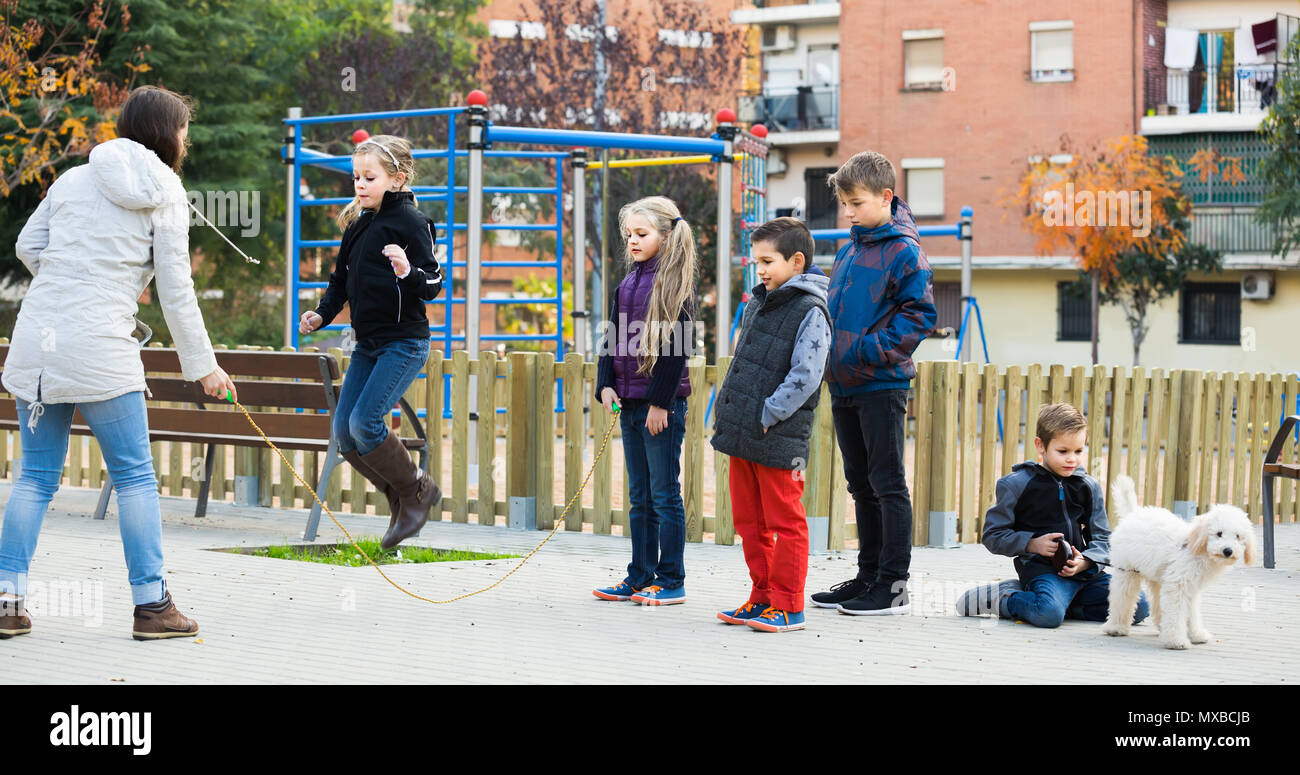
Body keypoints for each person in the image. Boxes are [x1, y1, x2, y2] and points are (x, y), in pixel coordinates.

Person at [0, 86, 237, 641]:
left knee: (34, 476)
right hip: (102, 345)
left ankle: (6, 604)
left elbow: (28, 246)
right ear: (165, 134)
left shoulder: (73, 178)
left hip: (38, 340)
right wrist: (204, 367)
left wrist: (72, 279)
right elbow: (178, 293)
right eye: (183, 129)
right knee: (134, 477)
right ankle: (152, 607)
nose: (187, 139)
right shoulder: (168, 192)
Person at [299, 134, 443, 551]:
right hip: (367, 344)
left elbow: (432, 283)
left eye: (369, 177)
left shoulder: (414, 223)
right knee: (346, 434)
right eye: (356, 177)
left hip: (403, 343)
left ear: (396, 178)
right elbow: (340, 281)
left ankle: (417, 490)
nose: (360, 185)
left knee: (366, 423)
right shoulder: (359, 225)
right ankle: (402, 498)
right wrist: (321, 314)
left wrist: (405, 271)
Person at [810, 151, 937, 616]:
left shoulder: (904, 250)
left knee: (887, 484)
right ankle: (867, 578)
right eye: (845, 204)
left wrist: (865, 351)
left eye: (857, 203)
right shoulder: (850, 248)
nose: (849, 212)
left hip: (880, 384)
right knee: (860, 485)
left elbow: (919, 316)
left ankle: (893, 587)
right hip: (843, 385)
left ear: (886, 197)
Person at [710, 218, 830, 633]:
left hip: (777, 432)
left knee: (784, 521)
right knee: (749, 521)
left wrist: (768, 413)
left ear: (796, 261)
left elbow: (807, 374)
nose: (760, 269)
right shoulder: (759, 302)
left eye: (768, 261)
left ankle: (789, 604)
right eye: (755, 260)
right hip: (744, 431)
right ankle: (762, 597)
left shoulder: (810, 309)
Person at [955, 403, 1151, 628]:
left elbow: (1105, 540)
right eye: (1063, 451)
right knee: (1047, 615)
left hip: (1085, 575)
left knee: (1138, 607)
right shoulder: (1015, 485)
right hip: (1043, 574)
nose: (1072, 459)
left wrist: (1086, 561)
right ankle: (1003, 597)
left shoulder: (1088, 486)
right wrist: (1031, 544)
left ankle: (1060, 605)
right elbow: (993, 535)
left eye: (1078, 451)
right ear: (1041, 445)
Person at [591, 196, 696, 606]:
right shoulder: (627, 284)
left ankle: (672, 580)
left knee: (665, 495)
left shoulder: (677, 287)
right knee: (640, 497)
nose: (632, 241)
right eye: (629, 235)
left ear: (666, 237)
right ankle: (639, 575)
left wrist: (660, 403)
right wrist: (605, 383)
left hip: (658, 409)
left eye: (642, 233)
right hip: (630, 405)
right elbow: (611, 339)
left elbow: (676, 352)